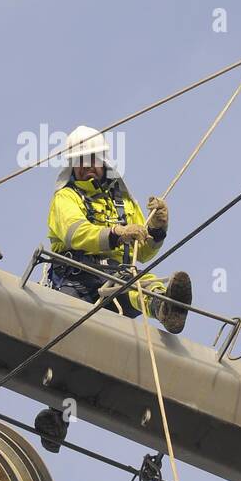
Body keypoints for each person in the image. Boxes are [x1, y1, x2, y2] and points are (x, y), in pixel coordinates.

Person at [45, 125, 192, 334]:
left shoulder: (122, 202)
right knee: (67, 327)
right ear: (72, 166)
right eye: (80, 161)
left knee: (141, 284)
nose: (87, 166)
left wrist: (157, 229)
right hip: (77, 281)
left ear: (103, 161)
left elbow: (141, 253)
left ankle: (166, 308)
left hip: (116, 278)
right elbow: (76, 233)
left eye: (92, 159)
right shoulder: (66, 197)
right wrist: (116, 234)